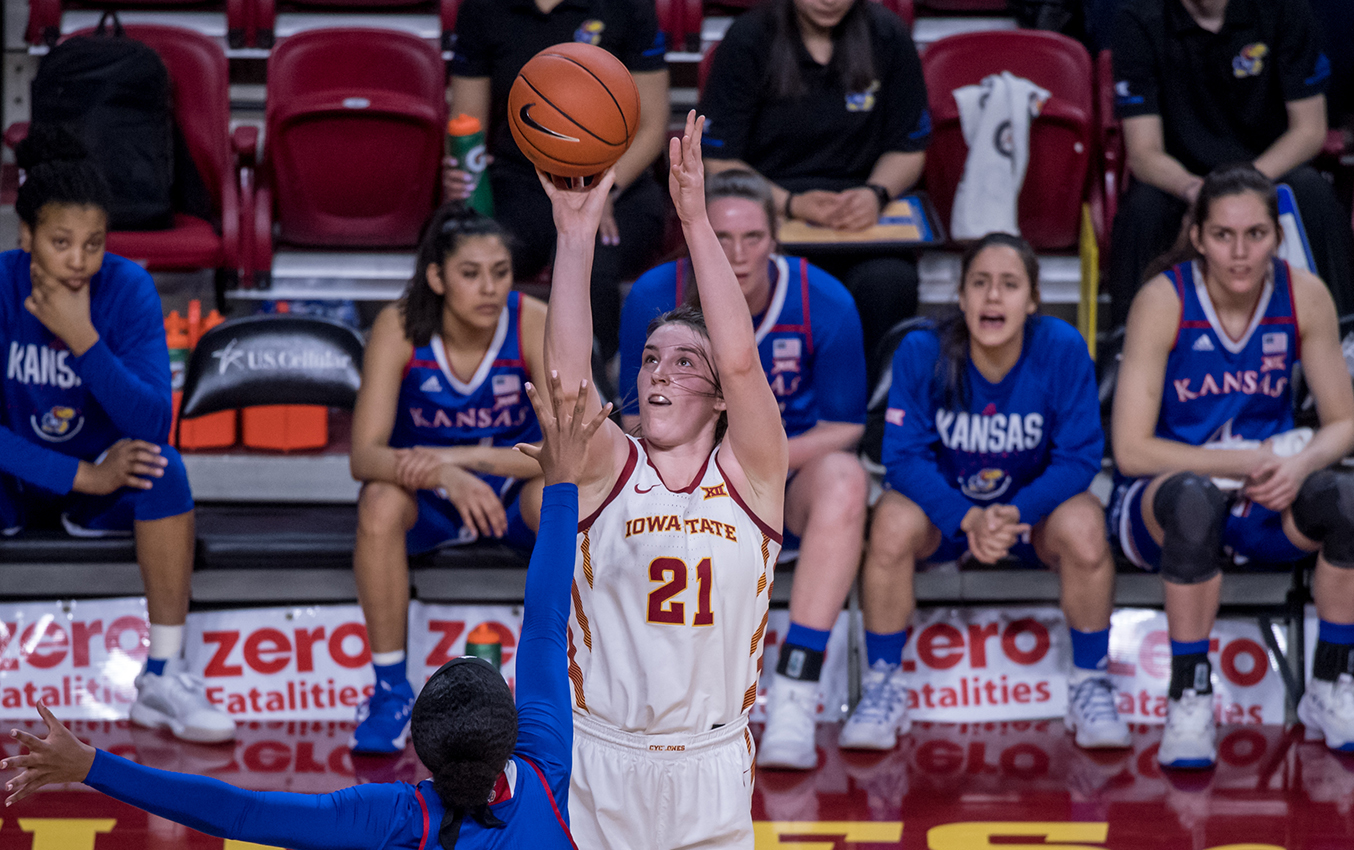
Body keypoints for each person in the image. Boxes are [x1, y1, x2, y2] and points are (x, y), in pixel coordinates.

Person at [0, 372, 607, 850]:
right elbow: (544, 624)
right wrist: (562, 484)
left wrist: (94, 768)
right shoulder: (544, 772)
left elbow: (240, 809)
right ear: (514, 732)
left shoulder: (395, 819)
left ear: (422, 752)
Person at [536, 111, 786, 850]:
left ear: (716, 400)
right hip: (601, 771)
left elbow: (740, 358)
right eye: (649, 359)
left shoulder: (753, 476)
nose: (664, 372)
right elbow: (568, 384)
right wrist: (571, 237)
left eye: (684, 362)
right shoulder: (606, 469)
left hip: (709, 774)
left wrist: (691, 217)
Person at [0, 127, 231, 746]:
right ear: (25, 238)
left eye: (93, 244)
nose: (78, 261)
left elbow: (156, 422)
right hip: (15, 482)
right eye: (60, 242)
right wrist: (84, 475)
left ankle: (164, 675)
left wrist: (84, 340)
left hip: (98, 484)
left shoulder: (126, 288)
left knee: (165, 468)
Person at [1110, 164, 1354, 768]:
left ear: (1276, 237)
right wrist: (1241, 460)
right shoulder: (1164, 299)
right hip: (1162, 499)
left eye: (1255, 235)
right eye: (1224, 235)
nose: (1240, 252)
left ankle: (1331, 684)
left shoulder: (1304, 294)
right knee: (1193, 502)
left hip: (1264, 496)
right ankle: (1189, 695)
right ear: (1199, 236)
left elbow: (1344, 424)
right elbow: (1130, 450)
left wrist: (1299, 463)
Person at [615, 168, 868, 769]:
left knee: (844, 479)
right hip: (679, 478)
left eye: (752, 237)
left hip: (778, 480)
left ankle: (796, 697)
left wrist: (748, 462)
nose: (737, 254)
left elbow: (846, 427)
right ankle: (649, 692)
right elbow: (632, 415)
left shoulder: (825, 301)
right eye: (722, 238)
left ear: (775, 240)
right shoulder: (653, 294)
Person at [848, 233, 1125, 751]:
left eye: (1009, 285)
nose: (993, 297)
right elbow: (902, 458)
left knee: (1086, 525)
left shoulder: (1061, 347)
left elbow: (1080, 460)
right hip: (947, 521)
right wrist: (966, 518)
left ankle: (1091, 682)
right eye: (980, 283)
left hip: (1031, 520)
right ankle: (884, 684)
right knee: (889, 521)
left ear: (1033, 300)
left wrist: (1013, 512)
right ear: (961, 295)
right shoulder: (921, 349)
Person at [348, 204, 548, 753]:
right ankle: (390, 692)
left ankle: (571, 688)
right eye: (470, 273)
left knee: (566, 501)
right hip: (428, 496)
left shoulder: (532, 320)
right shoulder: (399, 325)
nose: (490, 288)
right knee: (379, 503)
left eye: (501, 272)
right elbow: (363, 456)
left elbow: (574, 452)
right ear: (436, 276)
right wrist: (441, 473)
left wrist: (463, 461)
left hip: (509, 489)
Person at [699, 0, 930, 369]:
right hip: (772, 208)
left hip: (860, 212)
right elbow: (719, 159)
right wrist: (791, 203)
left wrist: (875, 192)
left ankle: (870, 407)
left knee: (889, 280)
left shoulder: (888, 36)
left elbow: (909, 148)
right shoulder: (748, 38)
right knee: (760, 271)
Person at [445, 0, 669, 363]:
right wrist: (462, 172)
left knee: (590, 257)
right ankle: (487, 380)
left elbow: (653, 126)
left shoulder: (629, 5)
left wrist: (604, 188)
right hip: (522, 178)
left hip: (618, 181)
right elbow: (467, 122)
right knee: (477, 255)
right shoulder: (482, 7)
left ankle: (595, 382)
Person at [1108, 0, 1354, 322]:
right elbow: (1143, 153)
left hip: (1269, 172)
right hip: (1181, 183)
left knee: (1314, 194)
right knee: (1142, 210)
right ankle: (1126, 352)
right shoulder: (1138, 19)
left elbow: (1309, 131)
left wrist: (1240, 187)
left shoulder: (1286, 10)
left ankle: (1346, 341)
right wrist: (1195, 190)